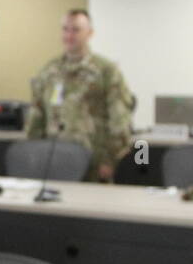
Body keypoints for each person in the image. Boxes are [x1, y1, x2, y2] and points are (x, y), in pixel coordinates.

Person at [25, 9, 134, 182]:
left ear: (90, 33)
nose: (69, 35)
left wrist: (109, 160)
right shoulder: (49, 71)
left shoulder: (106, 70)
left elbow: (120, 120)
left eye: (75, 30)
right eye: (65, 29)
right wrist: (32, 153)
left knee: (91, 207)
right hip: (54, 160)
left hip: (93, 162)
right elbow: (37, 115)